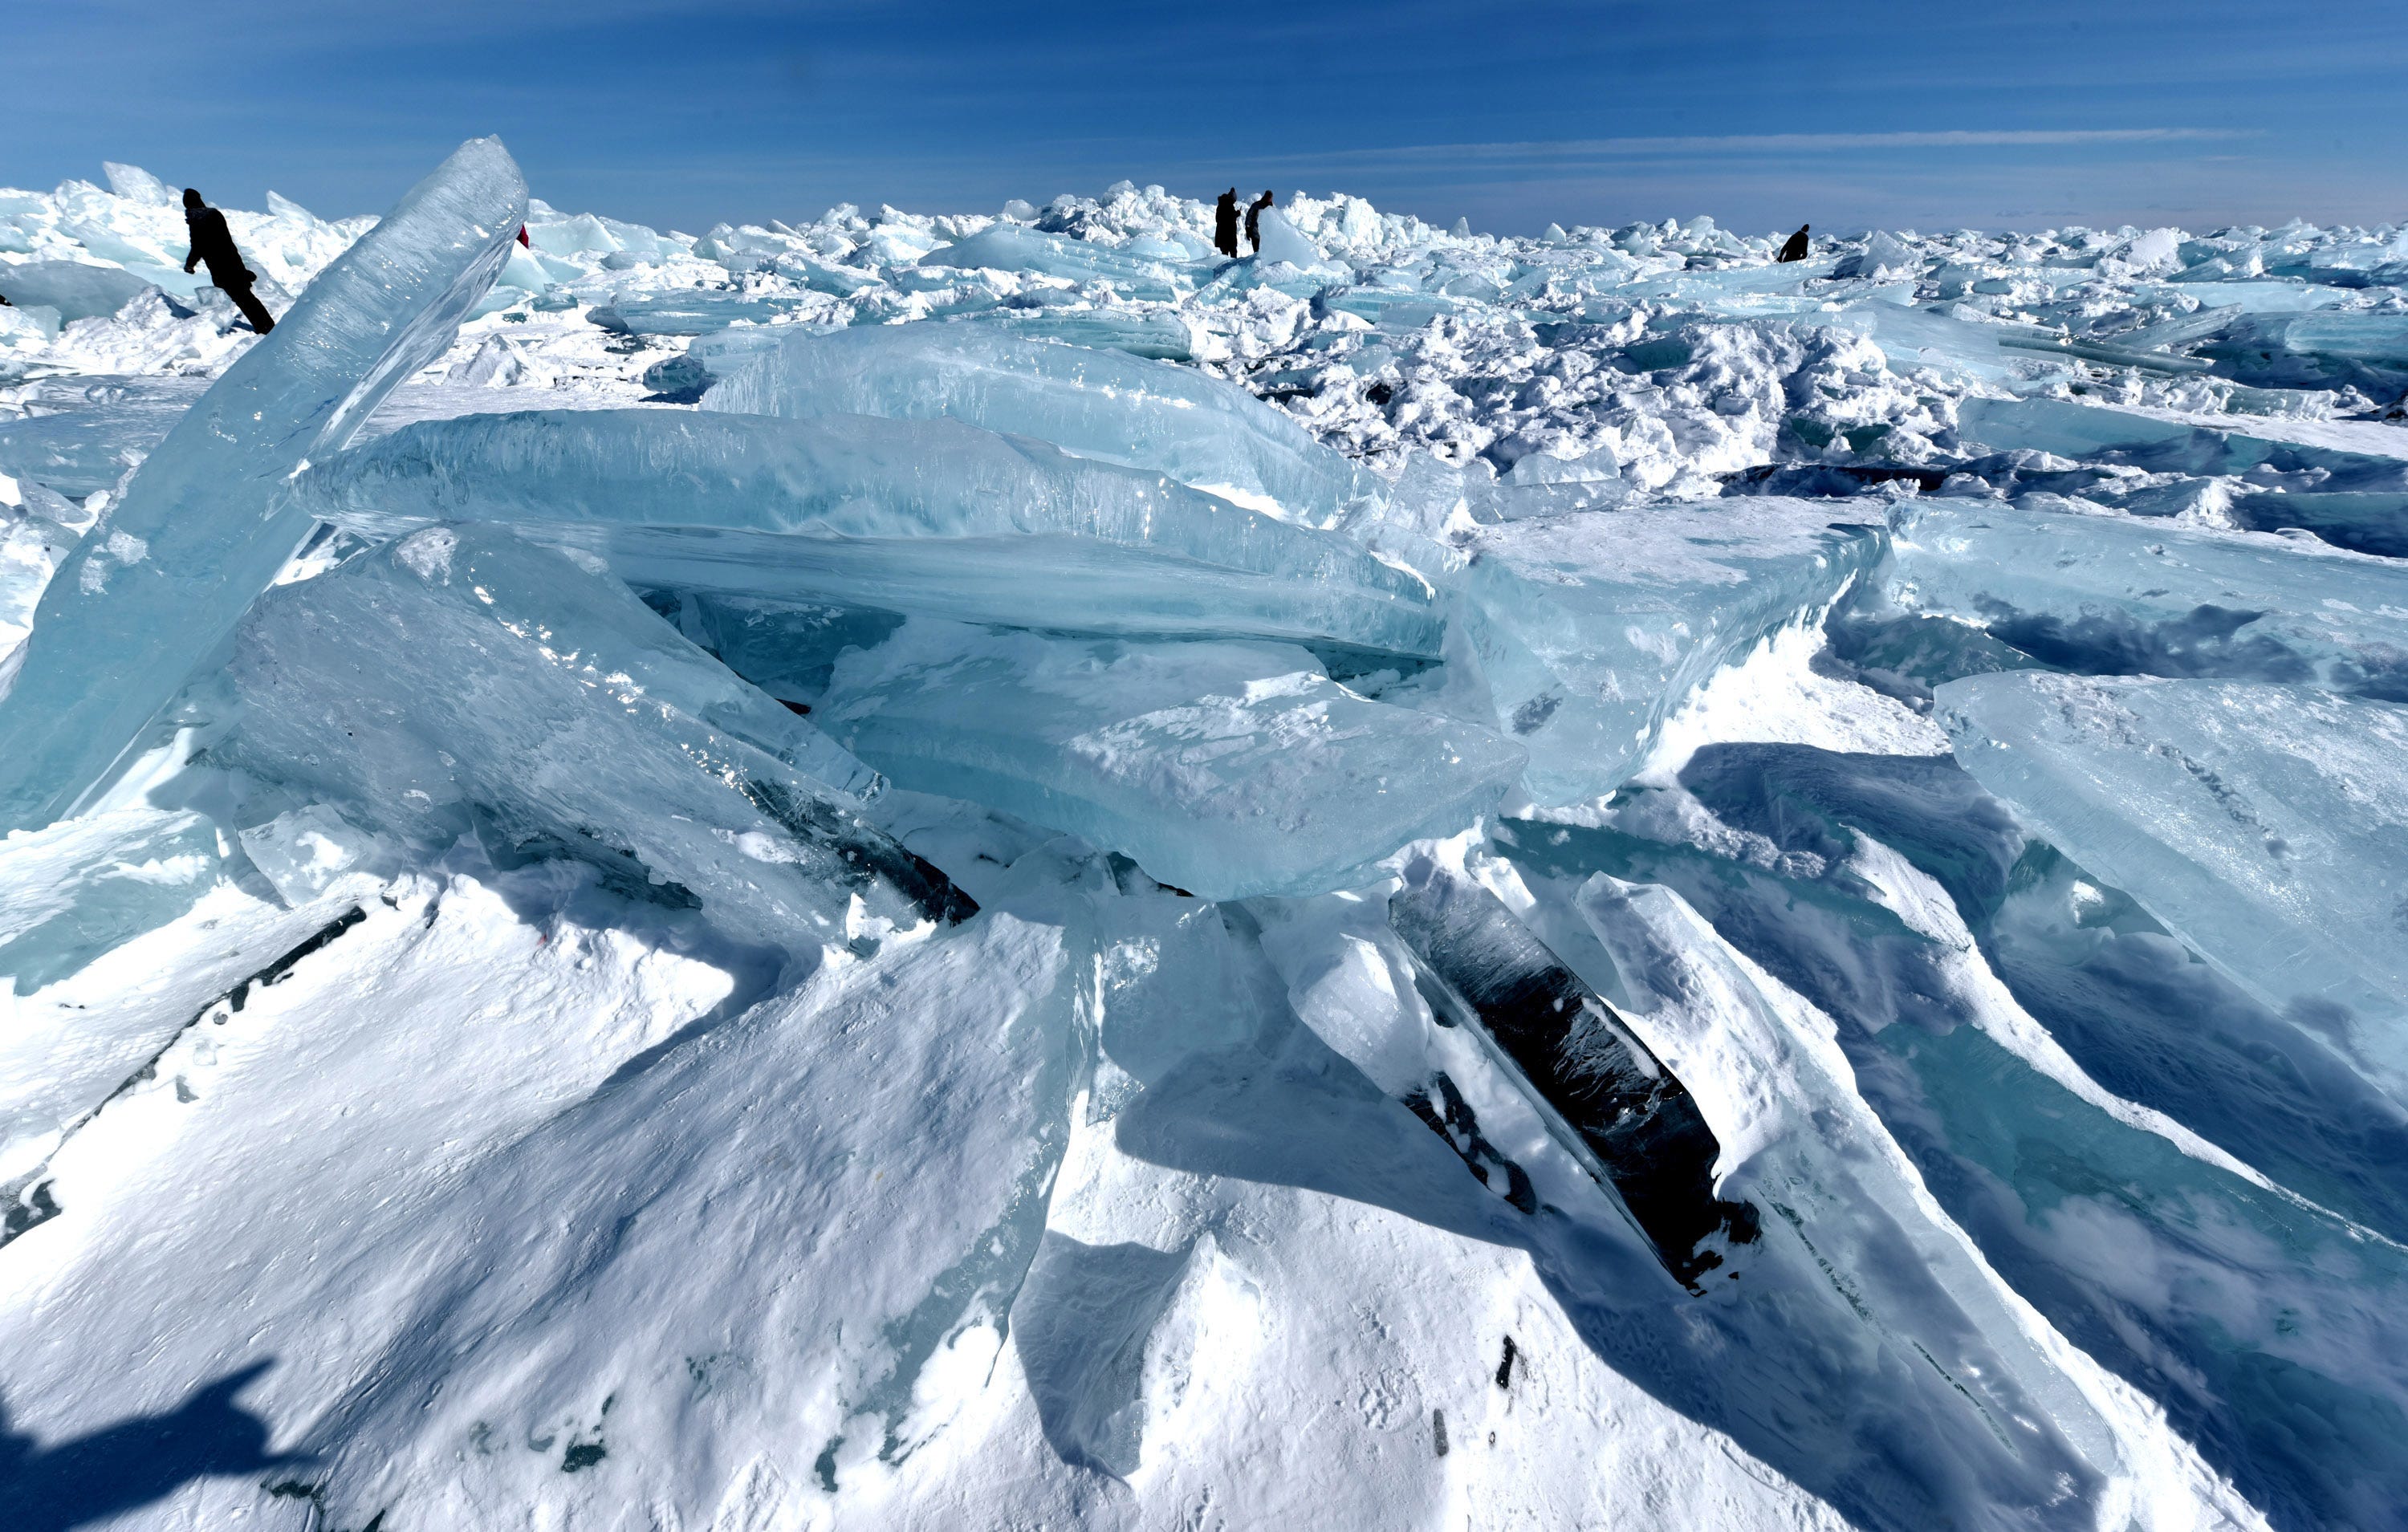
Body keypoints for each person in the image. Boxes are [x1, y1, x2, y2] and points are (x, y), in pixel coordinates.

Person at [181, 188, 275, 334]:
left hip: (219, 266)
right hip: (231, 260)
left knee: (242, 298)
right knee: (245, 296)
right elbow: (226, 241)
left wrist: (190, 264)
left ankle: (266, 328)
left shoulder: (197, 220)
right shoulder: (214, 215)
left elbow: (198, 246)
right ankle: (267, 326)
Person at [1214, 189, 1240, 258]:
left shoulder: (1221, 205)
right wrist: (1237, 214)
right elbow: (1230, 217)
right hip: (1229, 235)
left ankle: (1224, 268)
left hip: (1222, 235)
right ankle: (1233, 268)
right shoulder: (1229, 206)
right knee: (1233, 252)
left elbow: (1218, 219)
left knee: (1225, 253)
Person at [1246, 190, 1274, 254]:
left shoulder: (1272, 208)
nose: (1270, 198)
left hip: (1266, 234)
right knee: (1257, 252)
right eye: (1269, 197)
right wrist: (1247, 228)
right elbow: (1249, 216)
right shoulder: (1256, 205)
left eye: (1271, 197)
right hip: (1255, 232)